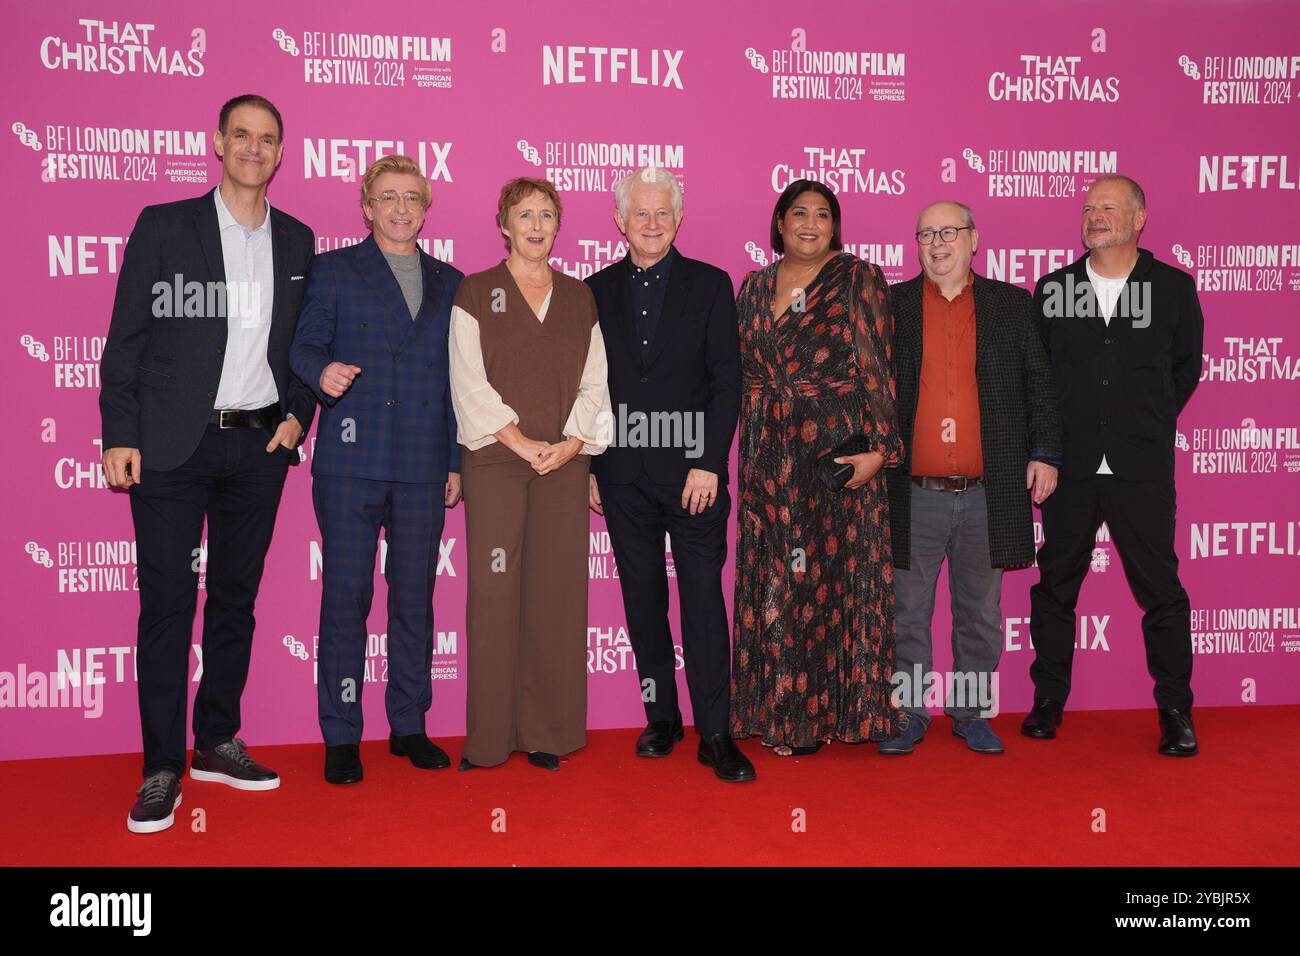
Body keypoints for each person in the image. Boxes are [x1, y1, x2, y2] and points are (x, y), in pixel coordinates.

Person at [100, 94, 316, 833]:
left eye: (268, 139)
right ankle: (162, 766)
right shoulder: (165, 227)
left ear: (281, 154)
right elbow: (125, 336)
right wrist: (118, 433)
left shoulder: (297, 239)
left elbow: (301, 345)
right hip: (168, 446)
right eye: (243, 136)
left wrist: (297, 417)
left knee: (235, 600)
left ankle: (216, 740)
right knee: (166, 606)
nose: (255, 148)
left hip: (257, 448)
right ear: (219, 143)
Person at [290, 155, 463, 784]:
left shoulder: (452, 282)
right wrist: (320, 373)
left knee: (415, 600)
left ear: (425, 208)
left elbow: (458, 385)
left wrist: (455, 462)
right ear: (366, 206)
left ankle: (409, 725)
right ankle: (341, 733)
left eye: (412, 198)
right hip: (351, 463)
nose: (399, 208)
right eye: (387, 197)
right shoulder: (334, 270)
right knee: (346, 599)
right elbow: (304, 347)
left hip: (422, 462)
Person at [1024, 175, 1204, 756]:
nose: (1095, 217)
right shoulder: (1055, 289)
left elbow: (1185, 369)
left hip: (1141, 467)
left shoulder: (1172, 288)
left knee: (1162, 590)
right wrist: (1048, 448)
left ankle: (1176, 710)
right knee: (1055, 586)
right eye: (1088, 208)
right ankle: (1048, 700)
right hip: (1068, 469)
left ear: (1139, 218)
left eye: (1108, 207)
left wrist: (1145, 422)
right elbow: (1040, 380)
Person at [586, 167, 753, 782]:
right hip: (622, 472)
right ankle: (662, 718)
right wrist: (589, 465)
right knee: (643, 602)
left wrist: (710, 460)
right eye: (640, 213)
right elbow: (586, 387)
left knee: (704, 603)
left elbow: (726, 383)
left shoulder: (710, 285)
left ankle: (715, 732)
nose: (651, 223)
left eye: (663, 213)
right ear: (620, 221)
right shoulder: (593, 289)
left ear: (678, 220)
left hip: (693, 477)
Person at [880, 201, 1061, 756]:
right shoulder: (893, 306)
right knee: (907, 613)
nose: (938, 243)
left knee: (980, 616)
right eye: (926, 233)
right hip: (913, 492)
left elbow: (1039, 382)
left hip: (989, 492)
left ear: (974, 239)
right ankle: (909, 713)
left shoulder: (1010, 305)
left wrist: (1046, 452)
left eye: (949, 232)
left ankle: (970, 713)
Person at [730, 179, 903, 755]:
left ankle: (816, 719)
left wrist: (879, 451)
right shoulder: (753, 287)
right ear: (778, 223)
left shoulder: (858, 279)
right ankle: (772, 708)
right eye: (798, 213)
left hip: (834, 458)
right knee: (774, 578)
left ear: (835, 225)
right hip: (765, 455)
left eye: (822, 214)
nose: (810, 223)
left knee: (823, 585)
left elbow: (877, 366)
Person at [450, 177, 611, 772]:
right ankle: (489, 740)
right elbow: (467, 381)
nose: (537, 225)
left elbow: (596, 380)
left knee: (556, 596)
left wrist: (571, 444)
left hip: (564, 466)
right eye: (525, 215)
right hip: (496, 462)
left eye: (547, 214)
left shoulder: (579, 296)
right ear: (504, 224)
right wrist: (521, 442)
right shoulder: (476, 292)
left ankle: (547, 733)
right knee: (494, 595)